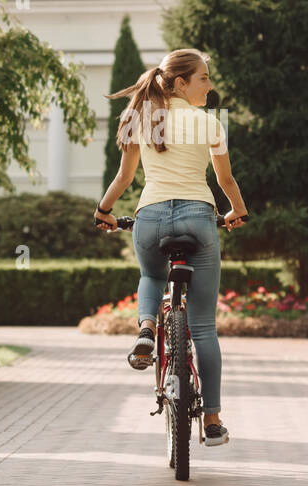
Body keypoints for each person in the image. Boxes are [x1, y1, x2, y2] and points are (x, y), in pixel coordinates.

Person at [94, 49, 247, 446]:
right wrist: (238, 212)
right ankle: (212, 420)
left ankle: (146, 329)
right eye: (204, 78)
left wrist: (103, 211)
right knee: (204, 328)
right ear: (181, 83)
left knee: (150, 274)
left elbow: (124, 177)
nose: (210, 86)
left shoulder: (141, 118)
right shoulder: (209, 122)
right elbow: (225, 181)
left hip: (150, 217)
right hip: (199, 217)